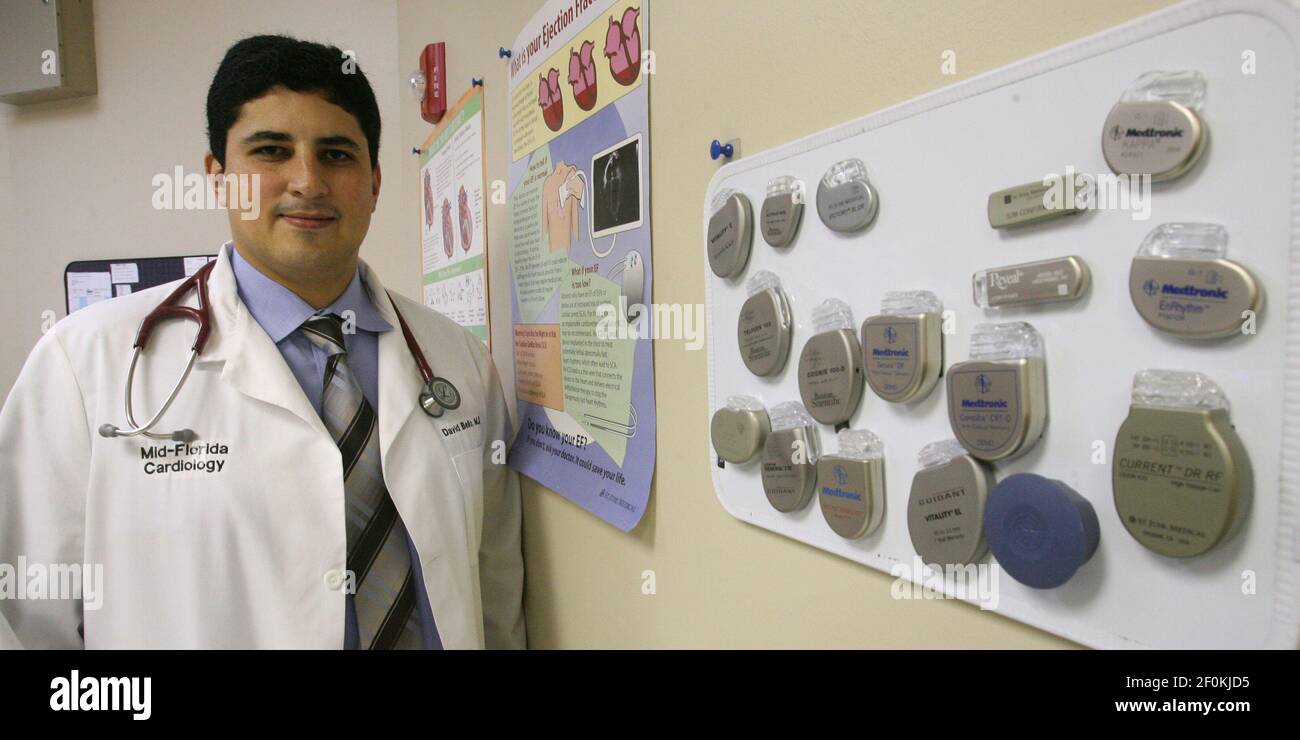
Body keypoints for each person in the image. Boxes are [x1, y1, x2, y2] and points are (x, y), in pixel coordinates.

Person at [0, 35, 525, 649]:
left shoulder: (457, 361)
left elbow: (495, 588)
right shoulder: (84, 365)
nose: (307, 181)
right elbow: (25, 619)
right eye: (272, 151)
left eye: (336, 154)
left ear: (375, 182)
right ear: (217, 178)